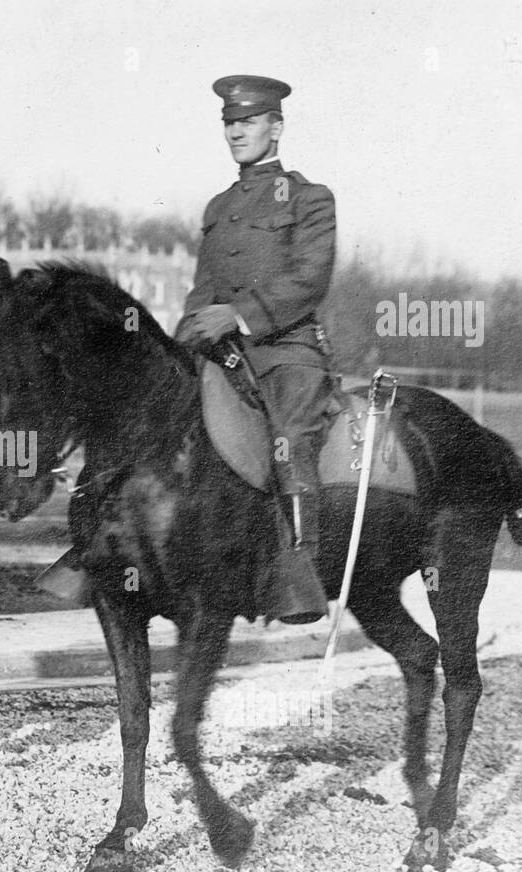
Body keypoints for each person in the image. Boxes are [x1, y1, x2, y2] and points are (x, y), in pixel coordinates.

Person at [174, 75, 336, 624]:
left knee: (289, 439)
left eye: (248, 121)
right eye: (230, 123)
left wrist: (239, 316)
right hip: (221, 352)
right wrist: (182, 340)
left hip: (286, 352)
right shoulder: (219, 207)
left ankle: (298, 574)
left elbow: (309, 279)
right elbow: (203, 289)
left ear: (277, 127)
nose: (237, 131)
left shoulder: (311, 198)